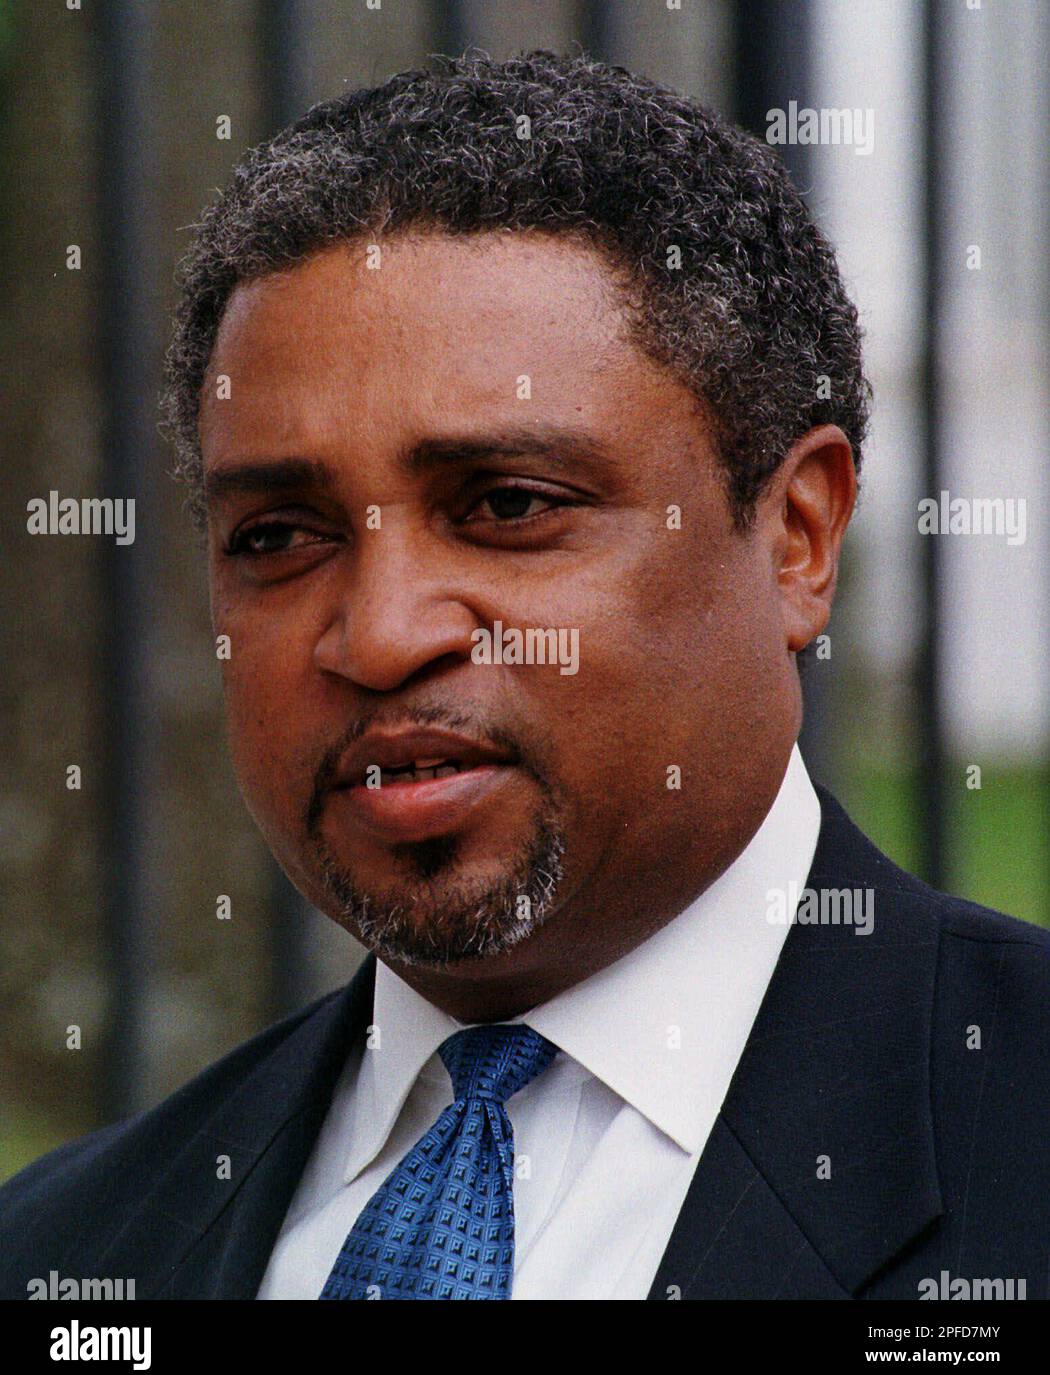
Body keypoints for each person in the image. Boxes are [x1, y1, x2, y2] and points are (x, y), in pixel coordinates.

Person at [3, 50, 1048, 1302]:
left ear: (799, 537)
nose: (379, 636)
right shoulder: (68, 1252)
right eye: (281, 536)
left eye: (506, 504)